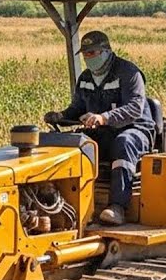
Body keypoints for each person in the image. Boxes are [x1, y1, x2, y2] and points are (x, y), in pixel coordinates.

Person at [44, 30, 155, 225]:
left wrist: (104, 118)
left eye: (91, 53)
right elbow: (77, 108)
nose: (87, 58)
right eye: (85, 54)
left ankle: (118, 206)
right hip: (102, 132)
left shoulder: (128, 73)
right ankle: (70, 204)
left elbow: (134, 108)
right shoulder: (86, 78)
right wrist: (61, 117)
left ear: (106, 51)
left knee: (123, 143)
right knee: (75, 143)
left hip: (136, 129)